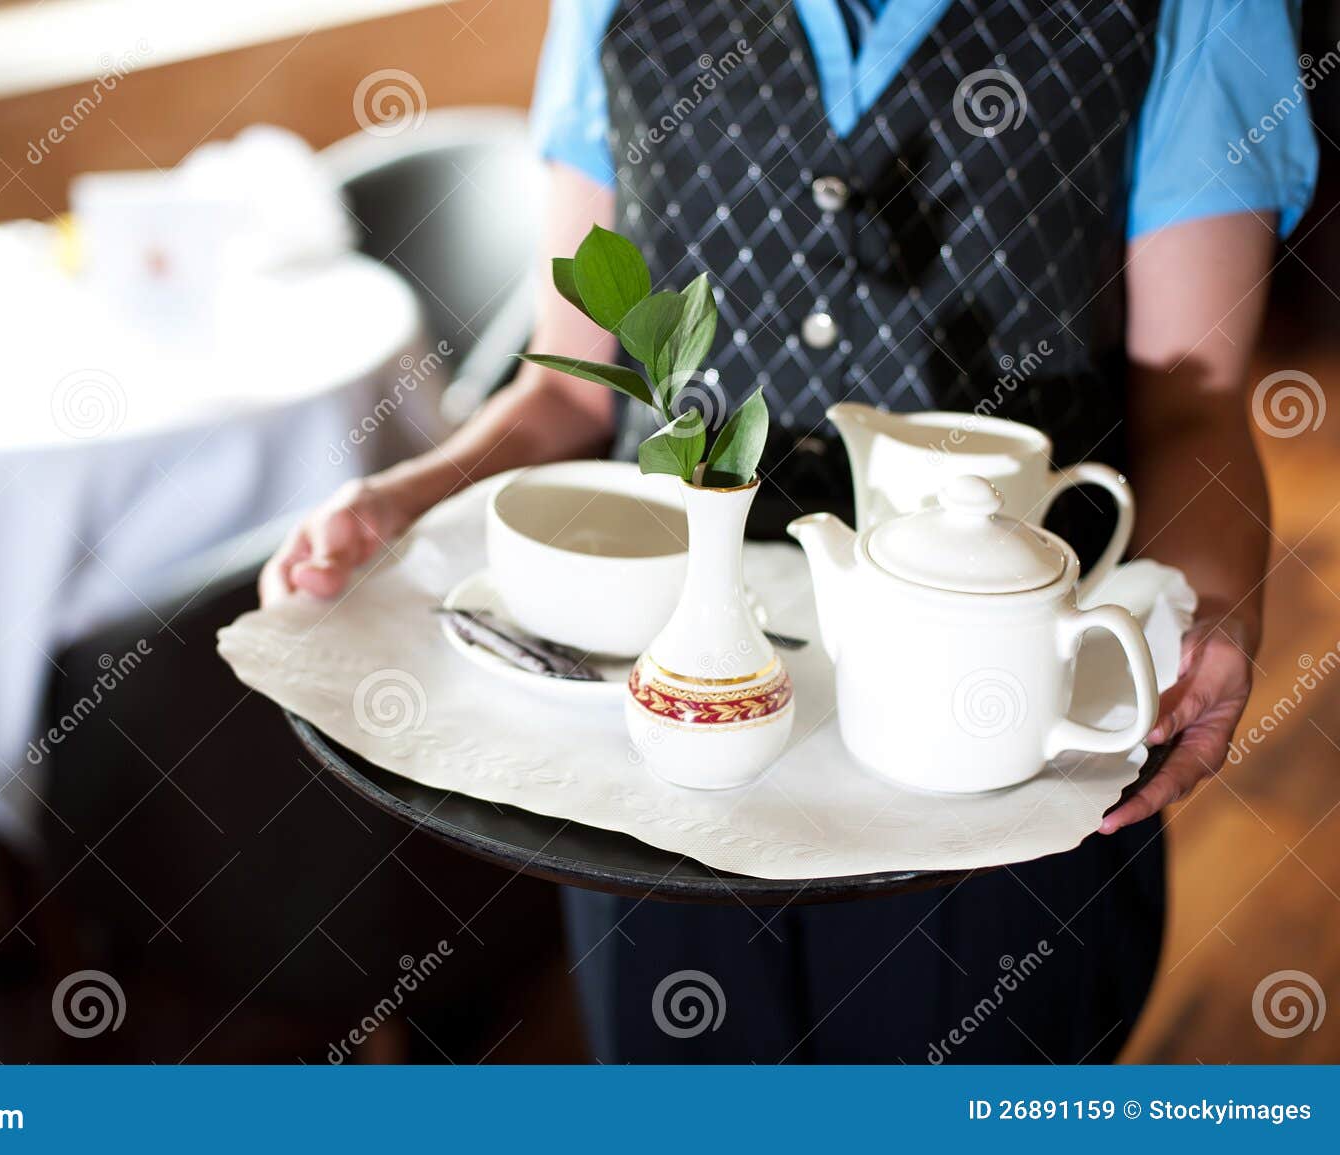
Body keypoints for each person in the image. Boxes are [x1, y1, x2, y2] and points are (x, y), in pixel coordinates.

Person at [263, 0, 1317, 1062]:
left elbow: (1192, 402)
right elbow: (572, 393)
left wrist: (1215, 607)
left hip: (986, 755)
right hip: (664, 761)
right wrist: (401, 497)